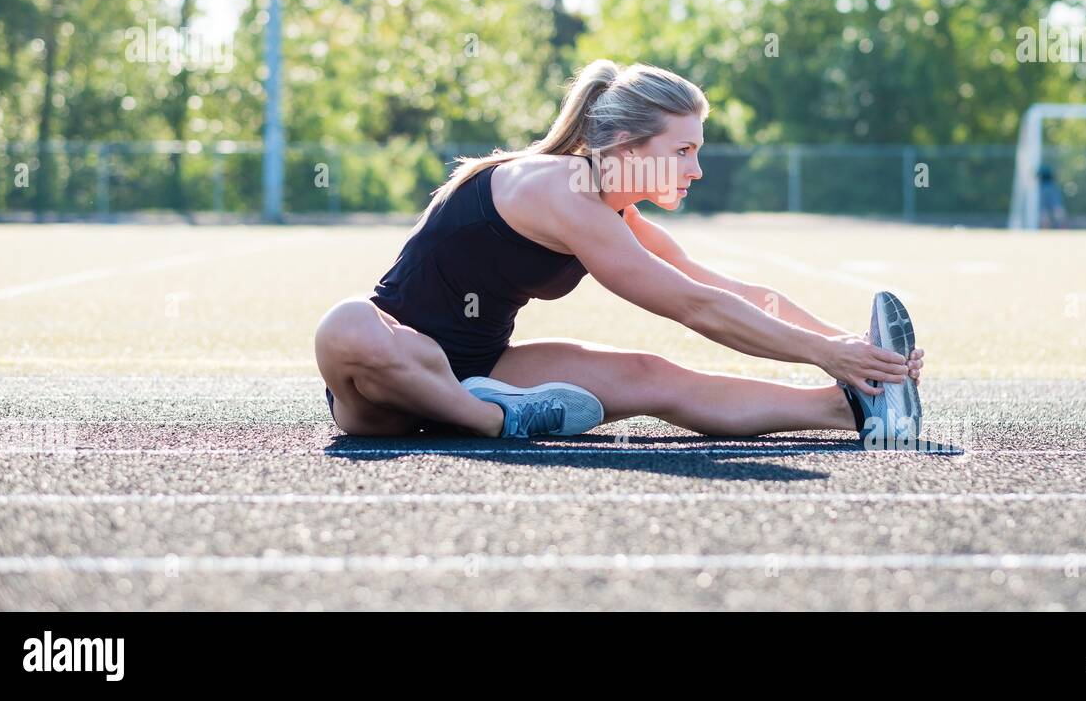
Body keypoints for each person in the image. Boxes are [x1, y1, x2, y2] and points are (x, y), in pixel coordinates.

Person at [313, 59, 925, 440]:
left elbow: (727, 292)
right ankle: (496, 422)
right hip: (381, 387)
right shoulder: (562, 191)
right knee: (345, 322)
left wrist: (856, 358)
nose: (697, 169)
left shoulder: (611, 204)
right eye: (683, 151)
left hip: (485, 370)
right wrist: (824, 350)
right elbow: (695, 309)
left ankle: (852, 412)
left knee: (650, 375)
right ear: (628, 148)